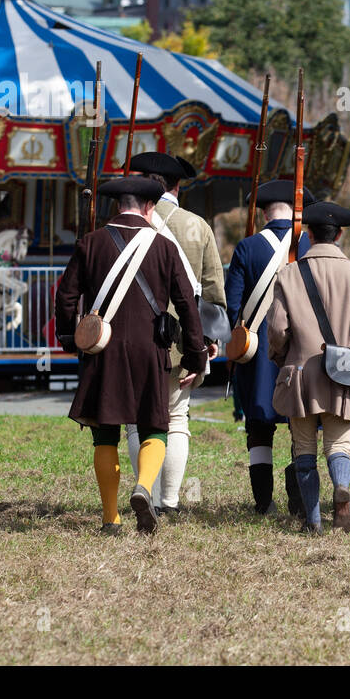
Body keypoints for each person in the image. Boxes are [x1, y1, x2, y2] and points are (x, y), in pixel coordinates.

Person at [54, 176, 208, 535]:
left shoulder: (89, 243)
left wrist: (68, 338)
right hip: (150, 349)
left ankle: (111, 518)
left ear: (117, 205)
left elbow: (65, 297)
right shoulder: (165, 248)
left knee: (105, 435)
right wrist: (195, 353)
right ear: (150, 207)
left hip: (102, 350)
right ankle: (143, 488)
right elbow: (187, 304)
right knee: (155, 425)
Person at [267, 201, 350, 534]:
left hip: (300, 374)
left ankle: (313, 520)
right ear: (340, 235)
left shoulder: (288, 274)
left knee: (303, 447)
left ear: (309, 233)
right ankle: (342, 491)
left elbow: (277, 329)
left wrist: (280, 357)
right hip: (342, 372)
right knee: (339, 444)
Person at [123, 152, 226, 519]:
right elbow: (214, 290)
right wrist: (210, 339)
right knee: (177, 416)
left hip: (134, 335)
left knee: (137, 418)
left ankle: (144, 493)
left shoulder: (127, 225)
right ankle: (169, 502)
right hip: (184, 337)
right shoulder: (198, 226)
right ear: (179, 185)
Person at [225, 180, 312, 516]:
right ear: (296, 210)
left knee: (259, 428)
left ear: (262, 211)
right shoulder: (309, 245)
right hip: (302, 351)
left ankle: (263, 502)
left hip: (259, 353)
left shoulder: (246, 248)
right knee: (300, 427)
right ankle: (299, 499)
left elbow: (235, 308)